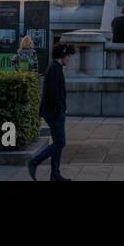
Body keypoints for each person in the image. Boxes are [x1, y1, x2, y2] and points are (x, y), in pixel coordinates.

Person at [27, 43, 74, 182]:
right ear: (63, 55)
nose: (69, 59)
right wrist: (61, 109)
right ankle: (34, 162)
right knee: (60, 143)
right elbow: (53, 94)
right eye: (69, 56)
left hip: (55, 111)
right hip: (54, 113)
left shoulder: (56, 67)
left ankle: (55, 174)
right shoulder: (54, 69)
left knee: (58, 142)